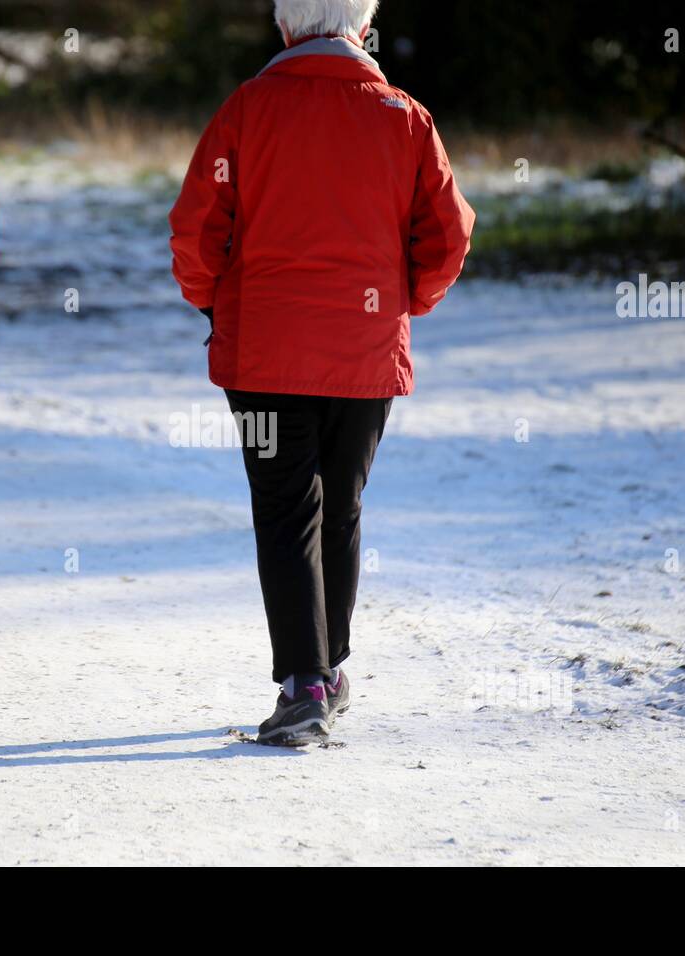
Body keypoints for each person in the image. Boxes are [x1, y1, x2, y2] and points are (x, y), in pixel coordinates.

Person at [169, 0, 475, 745]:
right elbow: (449, 233)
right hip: (363, 352)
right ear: (362, 28)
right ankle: (327, 670)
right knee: (340, 505)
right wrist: (405, 304)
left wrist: (214, 298)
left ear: (284, 29)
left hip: (265, 352)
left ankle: (305, 683)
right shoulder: (406, 118)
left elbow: (196, 225)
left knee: (286, 508)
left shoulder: (245, 111)